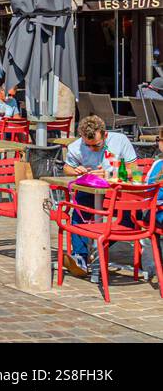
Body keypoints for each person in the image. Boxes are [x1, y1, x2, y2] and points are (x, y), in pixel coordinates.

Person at [63, 115, 139, 280]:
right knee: (78, 212)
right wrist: (75, 170)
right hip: (91, 190)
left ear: (105, 135)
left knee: (131, 219)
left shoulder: (120, 140)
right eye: (87, 145)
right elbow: (67, 168)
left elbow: (135, 170)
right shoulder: (75, 147)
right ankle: (80, 257)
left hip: (117, 192)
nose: (92, 149)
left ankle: (98, 247)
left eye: (96, 145)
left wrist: (109, 173)